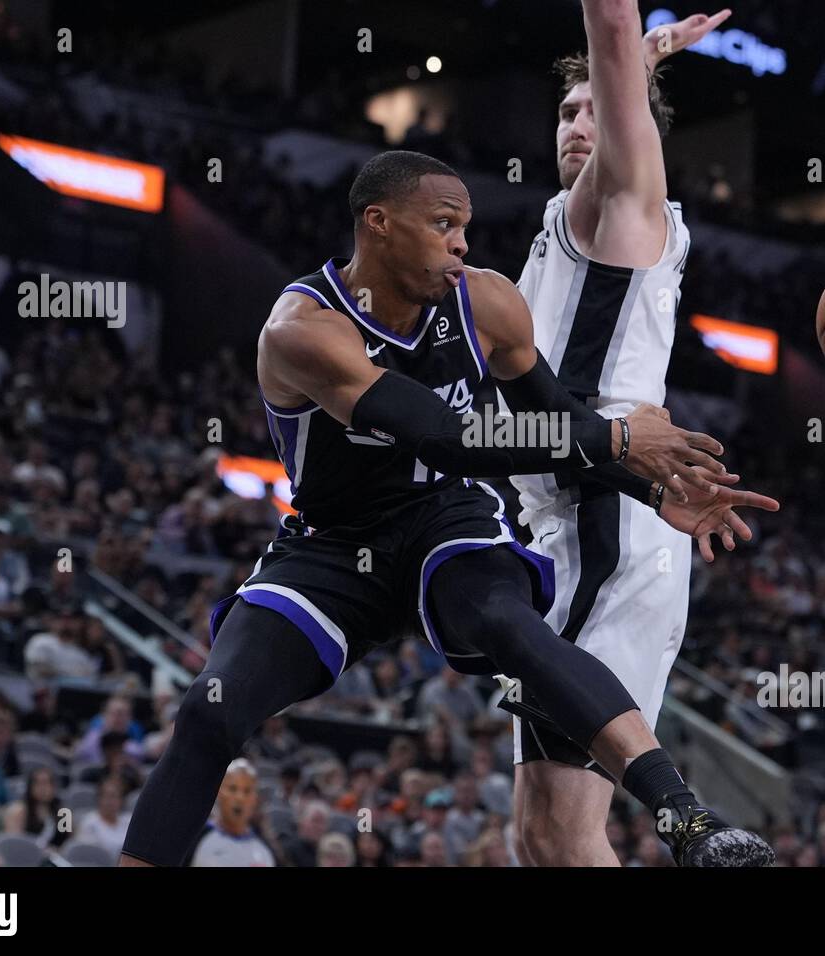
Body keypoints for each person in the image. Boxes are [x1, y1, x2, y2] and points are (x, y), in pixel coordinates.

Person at [120, 149, 776, 868]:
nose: (462, 243)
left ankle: (685, 817)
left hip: (445, 519)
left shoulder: (487, 301)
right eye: (442, 224)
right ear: (378, 223)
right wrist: (618, 433)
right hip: (334, 545)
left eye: (464, 226)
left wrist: (652, 491)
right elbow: (446, 433)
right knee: (209, 710)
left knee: (506, 623)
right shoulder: (303, 328)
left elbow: (554, 424)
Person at [506, 4, 754, 865]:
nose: (577, 122)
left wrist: (628, 47)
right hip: (567, 514)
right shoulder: (566, 218)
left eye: (593, 109)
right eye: (564, 111)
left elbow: (609, 28)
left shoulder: (624, 197)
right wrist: (646, 58)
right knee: (542, 834)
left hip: (607, 509)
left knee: (564, 833)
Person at [188, 759, 275, 867]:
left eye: (247, 791)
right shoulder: (194, 837)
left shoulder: (265, 850)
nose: (240, 798)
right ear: (218, 792)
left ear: (255, 799)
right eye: (232, 789)